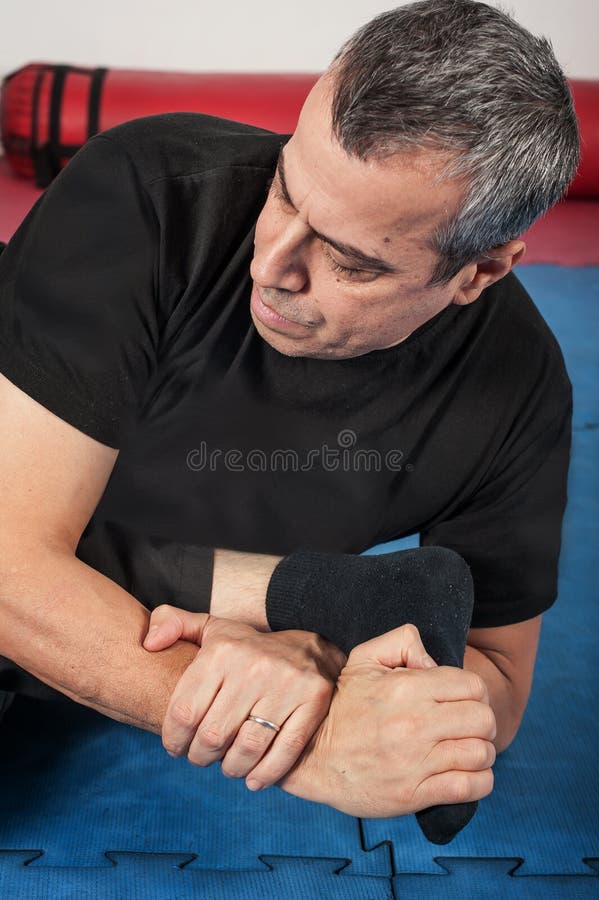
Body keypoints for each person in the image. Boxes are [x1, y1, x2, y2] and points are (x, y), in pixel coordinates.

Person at [0, 0, 578, 840]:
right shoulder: (147, 190)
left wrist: (377, 693)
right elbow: (9, 563)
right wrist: (311, 737)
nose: (272, 266)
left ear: (477, 271)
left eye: (349, 261)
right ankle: (288, 592)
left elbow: (493, 680)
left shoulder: (516, 389)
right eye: (284, 188)